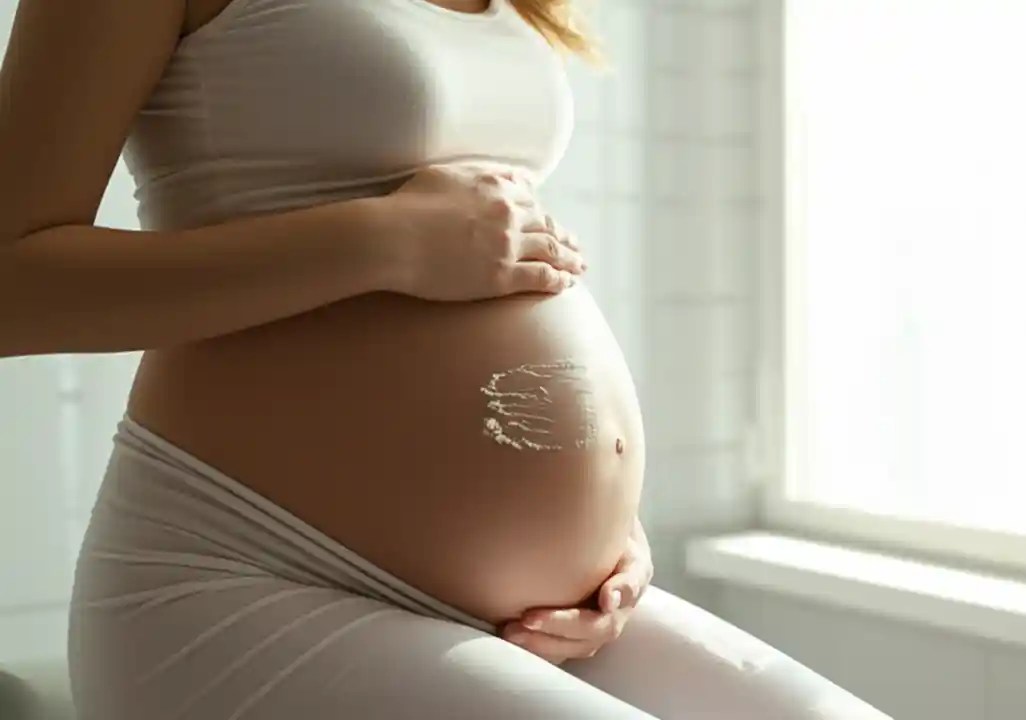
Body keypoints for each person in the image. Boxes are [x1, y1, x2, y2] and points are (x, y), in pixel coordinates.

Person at [0, 0, 889, 717]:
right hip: (252, 582)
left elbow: (484, 243)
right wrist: (382, 241)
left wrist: (599, 534)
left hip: (533, 613)